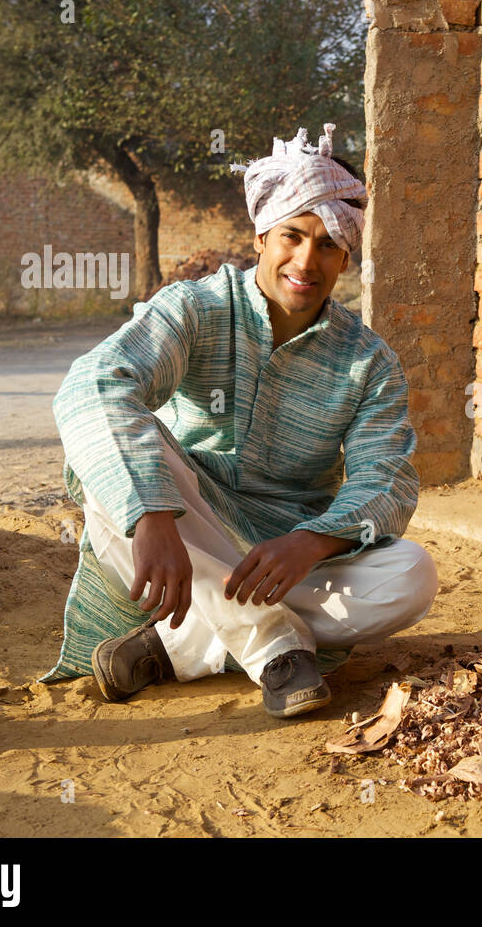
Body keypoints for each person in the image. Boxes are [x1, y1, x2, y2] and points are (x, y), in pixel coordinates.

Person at [48, 123, 438, 718]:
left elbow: (387, 477)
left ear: (346, 257)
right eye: (293, 236)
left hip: (287, 558)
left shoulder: (368, 360)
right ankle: (279, 650)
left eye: (329, 245)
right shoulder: (194, 309)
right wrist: (152, 514)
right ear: (261, 235)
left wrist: (312, 541)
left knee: (410, 574)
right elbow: (94, 385)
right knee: (117, 448)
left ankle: (177, 645)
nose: (307, 261)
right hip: (178, 538)